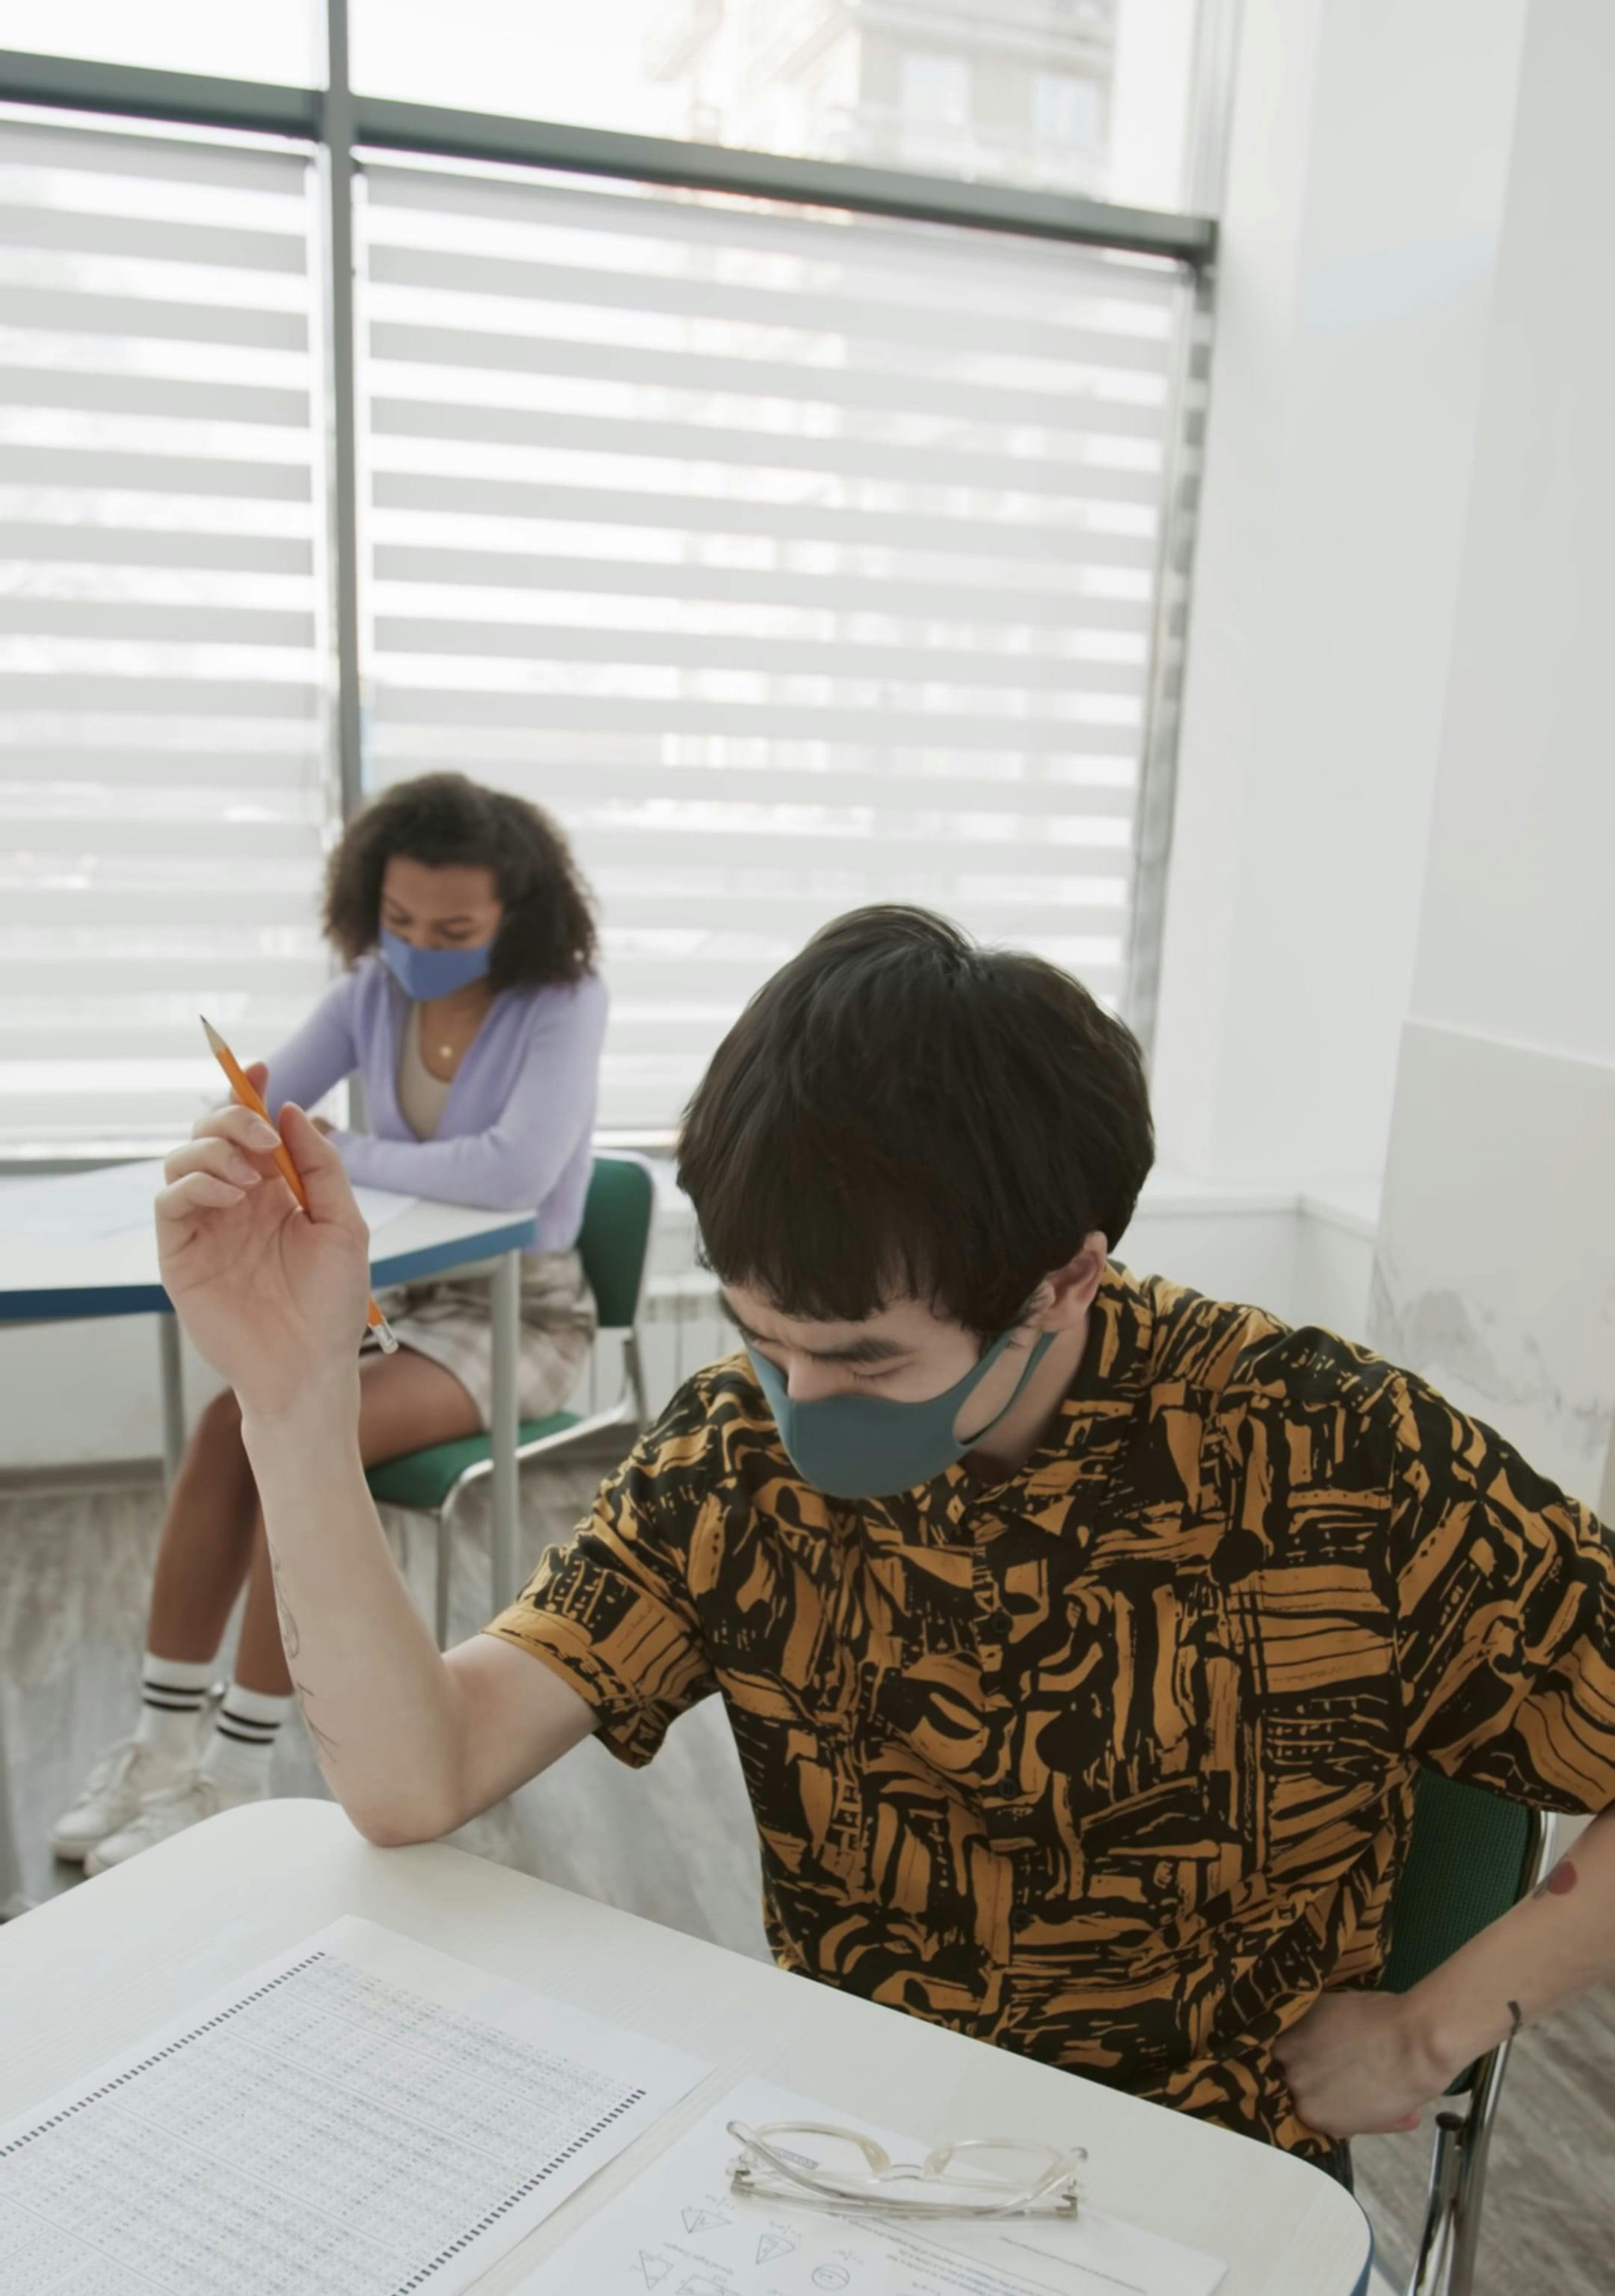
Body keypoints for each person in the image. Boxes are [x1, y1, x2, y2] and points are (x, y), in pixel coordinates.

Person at [149, 904, 1615, 2164]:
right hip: (850, 2143)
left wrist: (1428, 2034)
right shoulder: (733, 1458)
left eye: (863, 1363)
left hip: (1200, 2172)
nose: (798, 1404)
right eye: (764, 1339)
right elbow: (419, 1775)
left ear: (1065, 1282)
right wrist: (294, 1400)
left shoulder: (1326, 1458)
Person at [53, 770, 607, 1875]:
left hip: (522, 1310)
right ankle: (162, 1750)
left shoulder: (564, 1000)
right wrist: (244, 1134)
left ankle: (237, 1770)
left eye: (453, 930)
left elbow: (514, 1173)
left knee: (311, 1433)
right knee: (229, 1426)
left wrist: (337, 1151)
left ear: (518, 915)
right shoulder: (370, 992)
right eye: (399, 921)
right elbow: (250, 1113)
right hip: (388, 1291)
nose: (418, 949)